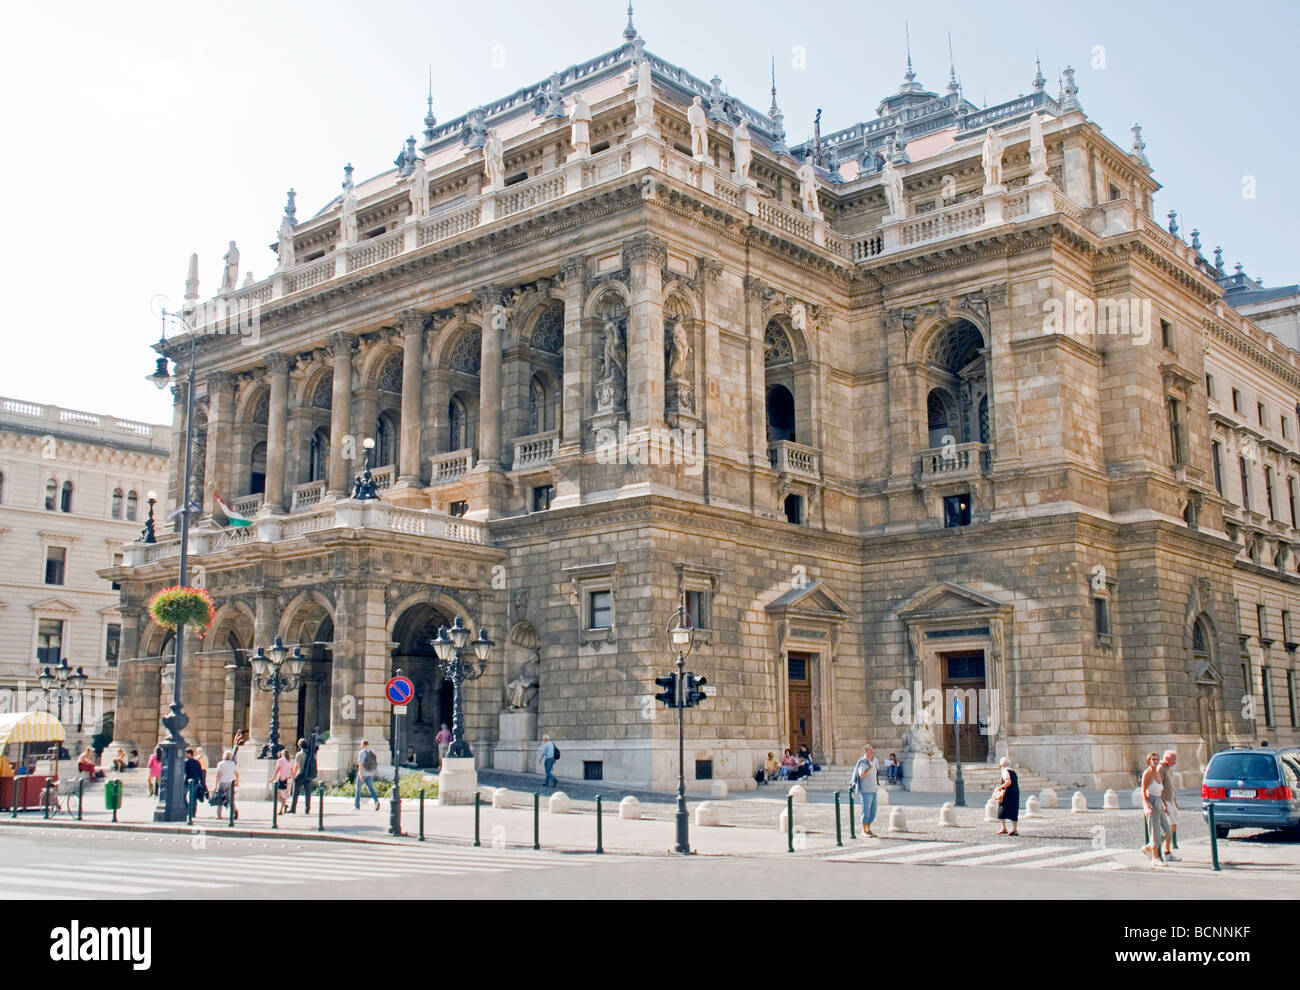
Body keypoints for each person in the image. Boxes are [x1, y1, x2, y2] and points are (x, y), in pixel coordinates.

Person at [1140, 752, 1166, 866]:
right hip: (1152, 802)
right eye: (1153, 759)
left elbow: (1161, 790)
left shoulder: (1159, 773)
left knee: (1167, 831)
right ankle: (1155, 858)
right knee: (1154, 831)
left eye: (1157, 759)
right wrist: (1147, 805)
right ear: (1149, 761)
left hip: (1159, 801)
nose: (1155, 761)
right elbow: (1143, 790)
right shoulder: (1147, 773)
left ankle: (1148, 847)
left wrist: (1164, 804)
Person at [850, 744, 880, 838]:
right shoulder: (863, 763)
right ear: (865, 752)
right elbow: (861, 775)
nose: (872, 753)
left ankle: (869, 829)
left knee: (872, 811)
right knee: (866, 811)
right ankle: (863, 830)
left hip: (873, 790)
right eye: (870, 751)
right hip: (866, 791)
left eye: (872, 751)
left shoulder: (873, 761)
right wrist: (870, 768)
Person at [1159, 750, 1180, 862]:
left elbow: (1169, 786)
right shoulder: (1161, 769)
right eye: (1173, 760)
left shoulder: (1167, 768)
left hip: (1170, 801)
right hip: (1166, 801)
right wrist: (1163, 804)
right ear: (1167, 758)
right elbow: (1160, 787)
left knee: (1173, 826)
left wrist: (1175, 801)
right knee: (1169, 827)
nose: (1175, 762)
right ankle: (1158, 848)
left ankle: (1164, 849)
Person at [993, 756, 1020, 835]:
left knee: (1002, 809)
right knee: (1014, 810)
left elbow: (1008, 781)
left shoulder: (1004, 771)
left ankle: (1004, 827)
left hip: (1007, 793)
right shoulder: (1013, 771)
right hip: (1015, 792)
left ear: (1002, 765)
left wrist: (1000, 788)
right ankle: (1014, 829)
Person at [355, 739, 380, 810]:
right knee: (371, 789)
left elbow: (361, 764)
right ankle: (376, 801)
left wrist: (360, 773)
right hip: (370, 773)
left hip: (363, 773)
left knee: (358, 790)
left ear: (362, 745)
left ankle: (356, 806)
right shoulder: (371, 752)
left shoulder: (362, 753)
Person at [214, 749, 239, 820]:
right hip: (230, 782)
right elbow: (236, 773)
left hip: (222, 782)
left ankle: (219, 815)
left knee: (220, 799)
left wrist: (216, 785)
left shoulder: (220, 764)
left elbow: (218, 775)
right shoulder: (232, 764)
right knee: (230, 798)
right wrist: (237, 781)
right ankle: (234, 811)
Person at [272, 747, 294, 813]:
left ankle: (284, 806)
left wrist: (273, 778)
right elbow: (292, 772)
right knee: (284, 796)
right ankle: (282, 809)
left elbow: (277, 770)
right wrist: (292, 780)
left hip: (280, 779)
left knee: (278, 795)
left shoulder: (280, 760)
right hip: (287, 780)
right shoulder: (289, 762)